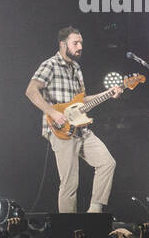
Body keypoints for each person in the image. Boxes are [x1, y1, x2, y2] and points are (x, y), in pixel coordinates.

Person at [24, 26, 121, 214]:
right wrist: (52, 112)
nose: (80, 47)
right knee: (69, 183)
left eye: (81, 43)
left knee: (107, 163)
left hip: (81, 129)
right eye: (75, 43)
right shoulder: (50, 65)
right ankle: (69, 227)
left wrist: (108, 93)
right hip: (61, 130)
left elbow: (81, 101)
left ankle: (94, 212)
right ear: (63, 44)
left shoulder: (76, 68)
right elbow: (31, 91)